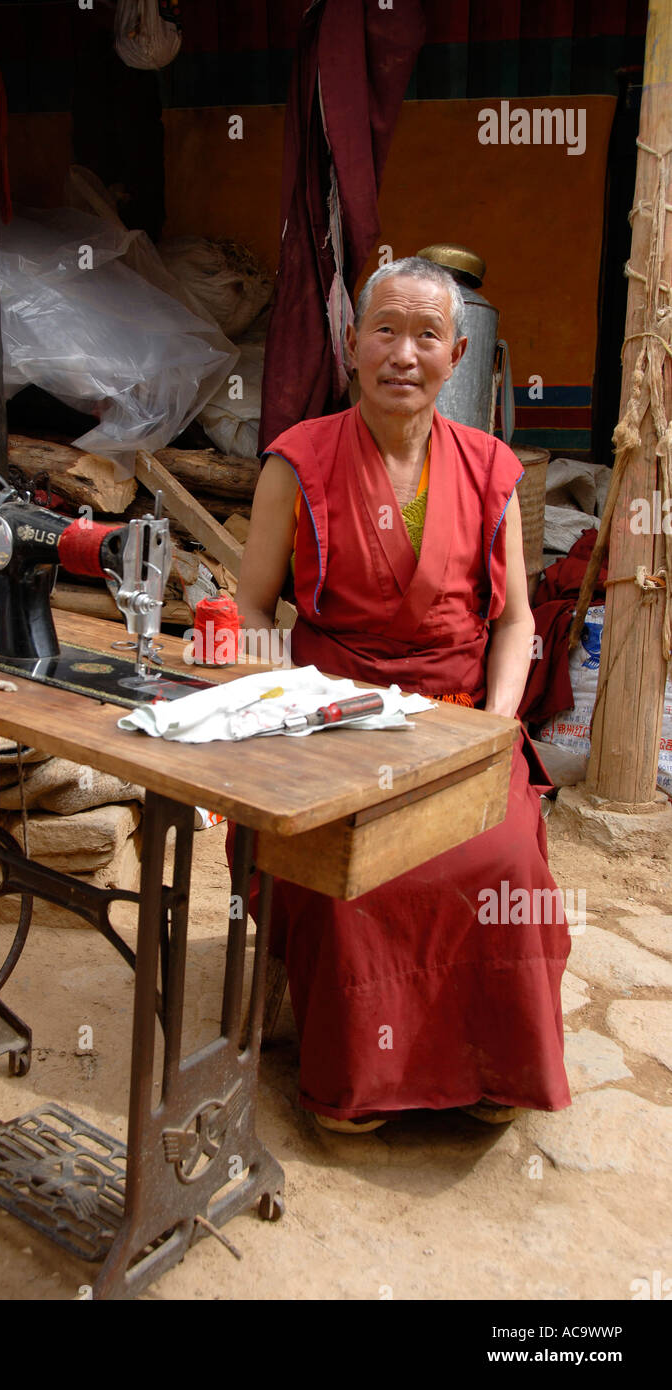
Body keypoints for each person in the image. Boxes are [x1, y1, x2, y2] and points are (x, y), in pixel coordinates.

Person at [235, 257, 571, 1133]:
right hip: (327, 716)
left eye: (427, 336)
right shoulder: (296, 462)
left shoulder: (494, 470)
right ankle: (358, 1082)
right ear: (352, 343)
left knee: (505, 864)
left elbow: (514, 624)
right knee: (347, 864)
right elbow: (250, 604)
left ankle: (497, 1064)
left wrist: (497, 728)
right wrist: (270, 708)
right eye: (385, 329)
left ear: (457, 355)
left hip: (456, 721)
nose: (404, 353)